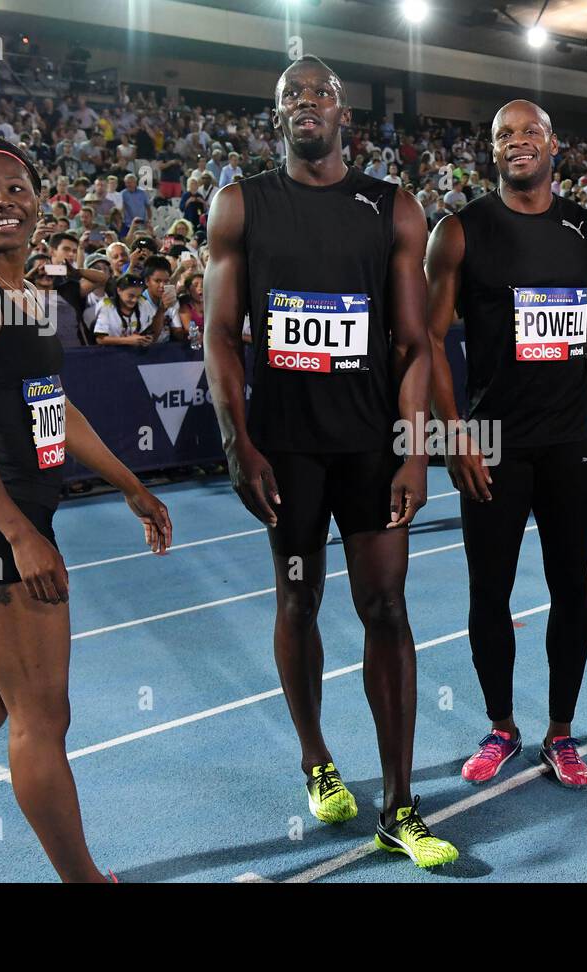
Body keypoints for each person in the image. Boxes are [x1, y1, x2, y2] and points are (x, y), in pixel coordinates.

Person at [0, 136, 172, 883]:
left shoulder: (28, 290)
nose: (1, 201)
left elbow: (52, 406)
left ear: (42, 201)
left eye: (15, 188)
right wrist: (20, 533)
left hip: (0, 524)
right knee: (42, 722)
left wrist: (127, 482)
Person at [203, 55, 457, 868]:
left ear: (344, 112)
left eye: (318, 94)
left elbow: (417, 343)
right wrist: (238, 441)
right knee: (300, 600)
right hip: (287, 445)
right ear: (276, 116)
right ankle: (316, 759)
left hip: (370, 442)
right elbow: (219, 335)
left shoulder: (392, 207)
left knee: (387, 608)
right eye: (289, 97)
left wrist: (417, 451)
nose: (304, 104)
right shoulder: (241, 205)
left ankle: (400, 803)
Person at [425, 100, 587, 789]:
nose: (517, 141)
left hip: (569, 440)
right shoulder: (459, 231)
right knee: (490, 592)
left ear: (554, 143)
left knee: (573, 589)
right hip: (495, 443)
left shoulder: (586, 228)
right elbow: (426, 339)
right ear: (493, 150)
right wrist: (454, 435)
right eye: (503, 133)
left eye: (529, 130)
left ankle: (561, 734)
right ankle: (502, 726)